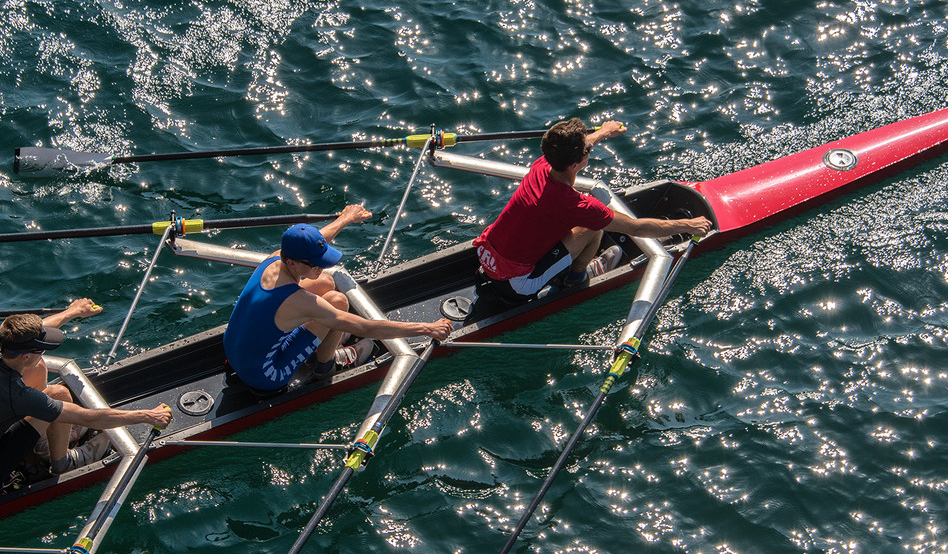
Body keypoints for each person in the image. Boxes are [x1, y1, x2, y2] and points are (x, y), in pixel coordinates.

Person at [0, 300, 172, 498]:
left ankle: (44, 439)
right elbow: (88, 418)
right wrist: (148, 416)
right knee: (61, 400)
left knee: (50, 383)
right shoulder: (16, 394)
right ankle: (62, 462)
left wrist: (73, 312)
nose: (44, 352)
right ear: (25, 355)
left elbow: (37, 331)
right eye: (41, 349)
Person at [223, 205, 454, 394]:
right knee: (339, 303)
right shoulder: (298, 300)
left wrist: (346, 218)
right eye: (315, 264)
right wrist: (427, 328)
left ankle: (324, 338)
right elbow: (365, 327)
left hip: (233, 351)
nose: (321, 267)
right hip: (266, 374)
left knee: (325, 283)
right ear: (292, 263)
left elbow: (316, 241)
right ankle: (325, 366)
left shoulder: (276, 259)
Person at [473, 117, 713, 298]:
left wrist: (604, 132)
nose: (590, 148)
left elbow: (576, 147)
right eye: (587, 150)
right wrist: (687, 224)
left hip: (486, 257)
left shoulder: (542, 165)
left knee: (571, 221)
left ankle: (558, 267)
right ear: (576, 164)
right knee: (593, 227)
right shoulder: (575, 204)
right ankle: (578, 276)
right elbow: (636, 228)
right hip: (517, 284)